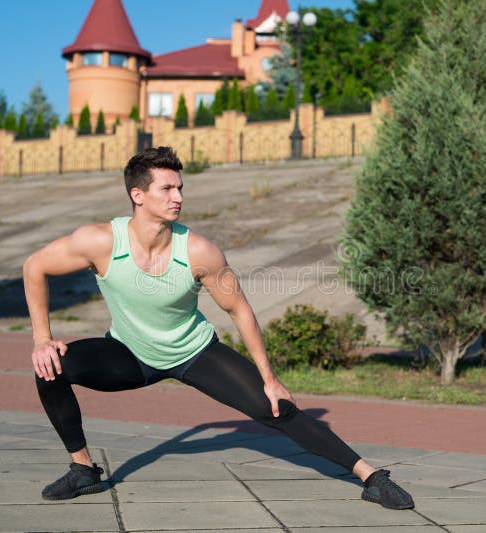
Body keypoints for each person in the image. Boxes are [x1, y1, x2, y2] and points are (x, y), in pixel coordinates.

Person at [23, 146, 414, 510]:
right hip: (129, 353)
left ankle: (370, 477)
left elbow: (239, 310)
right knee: (50, 368)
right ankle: (83, 470)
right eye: (167, 188)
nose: (177, 196)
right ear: (138, 195)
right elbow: (34, 267)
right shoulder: (100, 241)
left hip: (193, 352)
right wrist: (42, 338)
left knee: (274, 407)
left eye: (180, 188)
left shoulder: (198, 251)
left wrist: (269, 377)